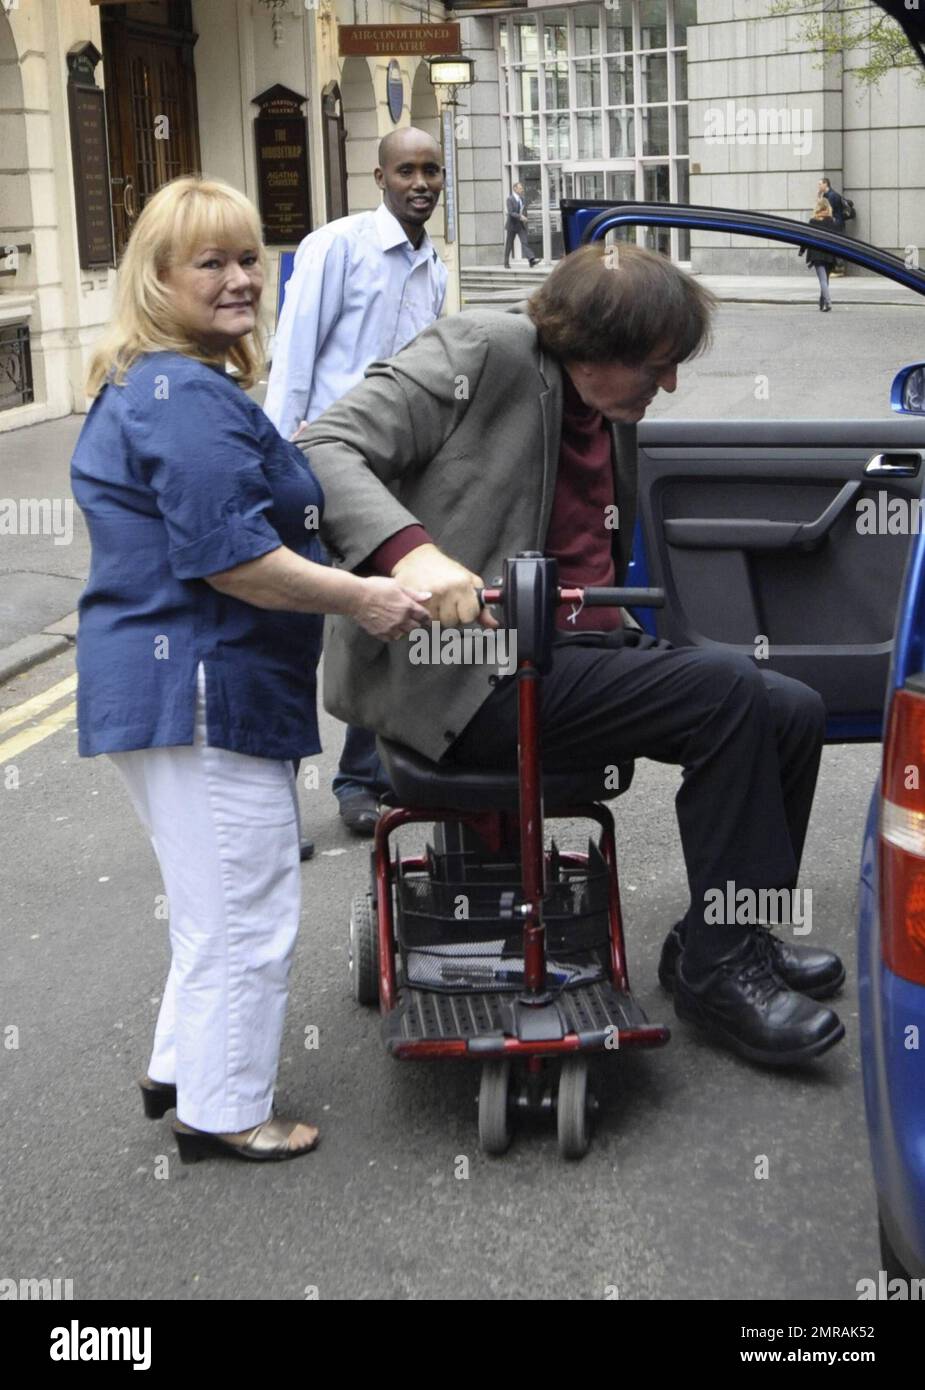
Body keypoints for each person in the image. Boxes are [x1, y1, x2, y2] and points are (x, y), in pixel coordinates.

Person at [297, 242, 847, 1070]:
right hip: (465, 669)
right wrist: (413, 554)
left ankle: (728, 932)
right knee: (727, 691)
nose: (667, 386)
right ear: (597, 350)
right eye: (657, 367)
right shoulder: (481, 349)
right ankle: (718, 972)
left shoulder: (604, 409)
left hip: (558, 656)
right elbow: (320, 446)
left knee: (791, 710)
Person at [70, 176, 430, 1163]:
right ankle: (226, 1111)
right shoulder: (181, 394)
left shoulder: (162, 378)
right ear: (156, 278)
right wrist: (366, 597)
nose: (240, 281)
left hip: (165, 683)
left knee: (209, 902)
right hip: (198, 683)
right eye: (210, 263)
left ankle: (184, 1067)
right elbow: (228, 557)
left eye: (247, 260)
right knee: (250, 906)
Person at [264, 128, 447, 837]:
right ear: (380, 176)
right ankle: (273, 806)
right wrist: (279, 466)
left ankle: (361, 779)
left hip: (391, 471)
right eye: (407, 170)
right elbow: (293, 358)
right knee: (298, 628)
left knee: (386, 614)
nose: (421, 182)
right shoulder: (336, 247)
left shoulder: (431, 264)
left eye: (432, 170)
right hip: (319, 463)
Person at [799, 198, 837, 311]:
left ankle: (828, 302)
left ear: (818, 207)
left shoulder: (813, 221)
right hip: (830, 254)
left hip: (817, 254)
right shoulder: (831, 221)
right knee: (825, 280)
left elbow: (806, 238)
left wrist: (802, 250)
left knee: (823, 280)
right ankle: (822, 302)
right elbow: (836, 239)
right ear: (828, 208)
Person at [504, 182, 538, 269]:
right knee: (509, 244)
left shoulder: (522, 199)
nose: (521, 189)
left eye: (521, 188)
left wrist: (525, 218)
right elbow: (511, 212)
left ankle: (531, 260)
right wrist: (520, 217)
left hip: (520, 225)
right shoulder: (510, 199)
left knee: (525, 242)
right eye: (520, 188)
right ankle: (506, 262)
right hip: (512, 225)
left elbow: (524, 210)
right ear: (514, 189)